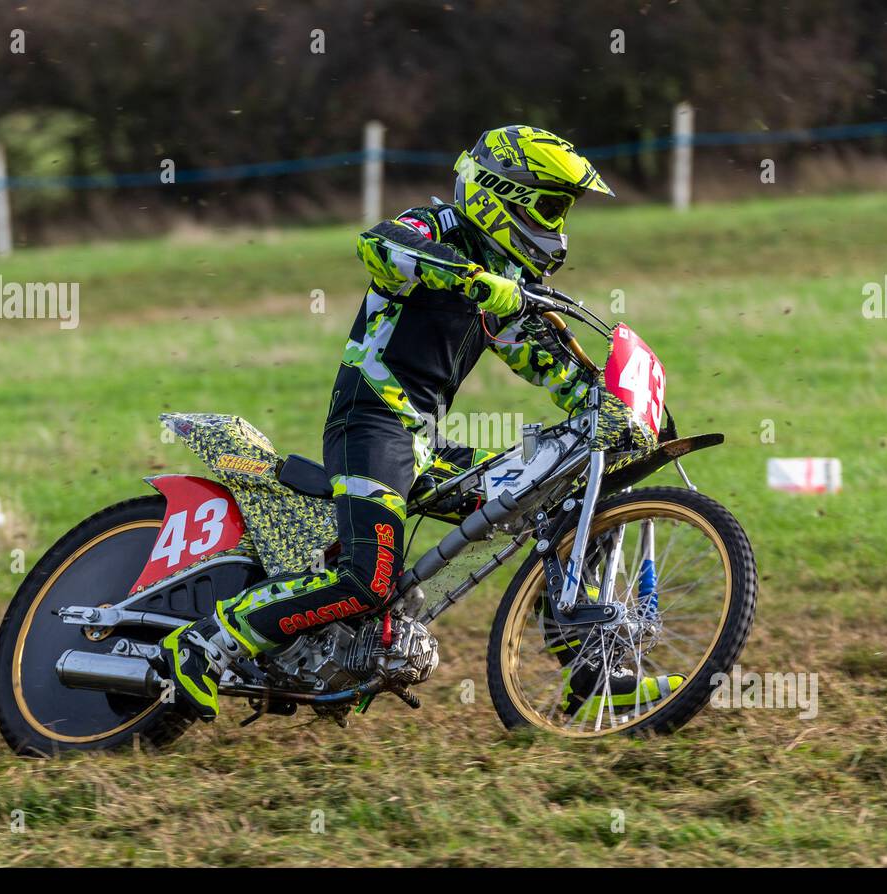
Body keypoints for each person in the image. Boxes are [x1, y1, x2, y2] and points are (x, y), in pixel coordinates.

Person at [161, 125, 680, 719]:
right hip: (371, 424)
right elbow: (379, 247)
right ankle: (205, 642)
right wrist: (472, 280)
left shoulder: (508, 285)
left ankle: (593, 671)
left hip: (422, 443)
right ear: (502, 192)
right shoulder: (434, 231)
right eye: (552, 205)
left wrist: (614, 403)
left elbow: (547, 362)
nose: (559, 222)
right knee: (369, 580)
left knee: (553, 507)